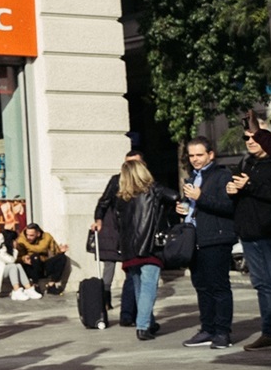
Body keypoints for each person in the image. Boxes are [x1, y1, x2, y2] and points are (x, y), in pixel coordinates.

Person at [228, 129, 271, 350]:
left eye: (254, 137)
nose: (250, 142)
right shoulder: (246, 163)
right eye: (246, 138)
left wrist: (250, 186)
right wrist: (232, 191)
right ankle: (270, 332)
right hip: (250, 234)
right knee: (262, 285)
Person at [178, 136, 238, 349]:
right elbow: (193, 204)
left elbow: (228, 207)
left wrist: (200, 197)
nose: (195, 159)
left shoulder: (222, 175)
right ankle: (207, 329)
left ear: (210, 155)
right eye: (192, 155)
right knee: (201, 286)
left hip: (216, 238)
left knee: (218, 286)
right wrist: (184, 208)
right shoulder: (192, 177)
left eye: (199, 155)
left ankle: (222, 332)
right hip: (195, 238)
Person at [114, 157, 177, 341]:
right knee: (148, 287)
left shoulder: (122, 199)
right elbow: (174, 196)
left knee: (139, 287)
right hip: (150, 246)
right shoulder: (154, 190)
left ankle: (148, 321)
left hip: (129, 249)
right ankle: (142, 326)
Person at [94, 150, 145, 324]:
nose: (129, 168)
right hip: (125, 232)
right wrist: (98, 220)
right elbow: (104, 201)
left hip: (144, 232)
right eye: (126, 164)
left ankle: (132, 315)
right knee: (133, 273)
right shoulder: (117, 180)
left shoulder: (147, 181)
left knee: (137, 274)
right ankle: (130, 315)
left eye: (133, 164)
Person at [14, 223, 69, 295]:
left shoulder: (47, 237)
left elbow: (55, 251)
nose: (28, 237)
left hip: (43, 264)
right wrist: (24, 259)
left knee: (62, 257)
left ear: (38, 234)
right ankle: (35, 285)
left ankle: (51, 285)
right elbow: (15, 258)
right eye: (27, 234)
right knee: (35, 256)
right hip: (30, 266)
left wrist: (60, 251)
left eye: (31, 235)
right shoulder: (22, 240)